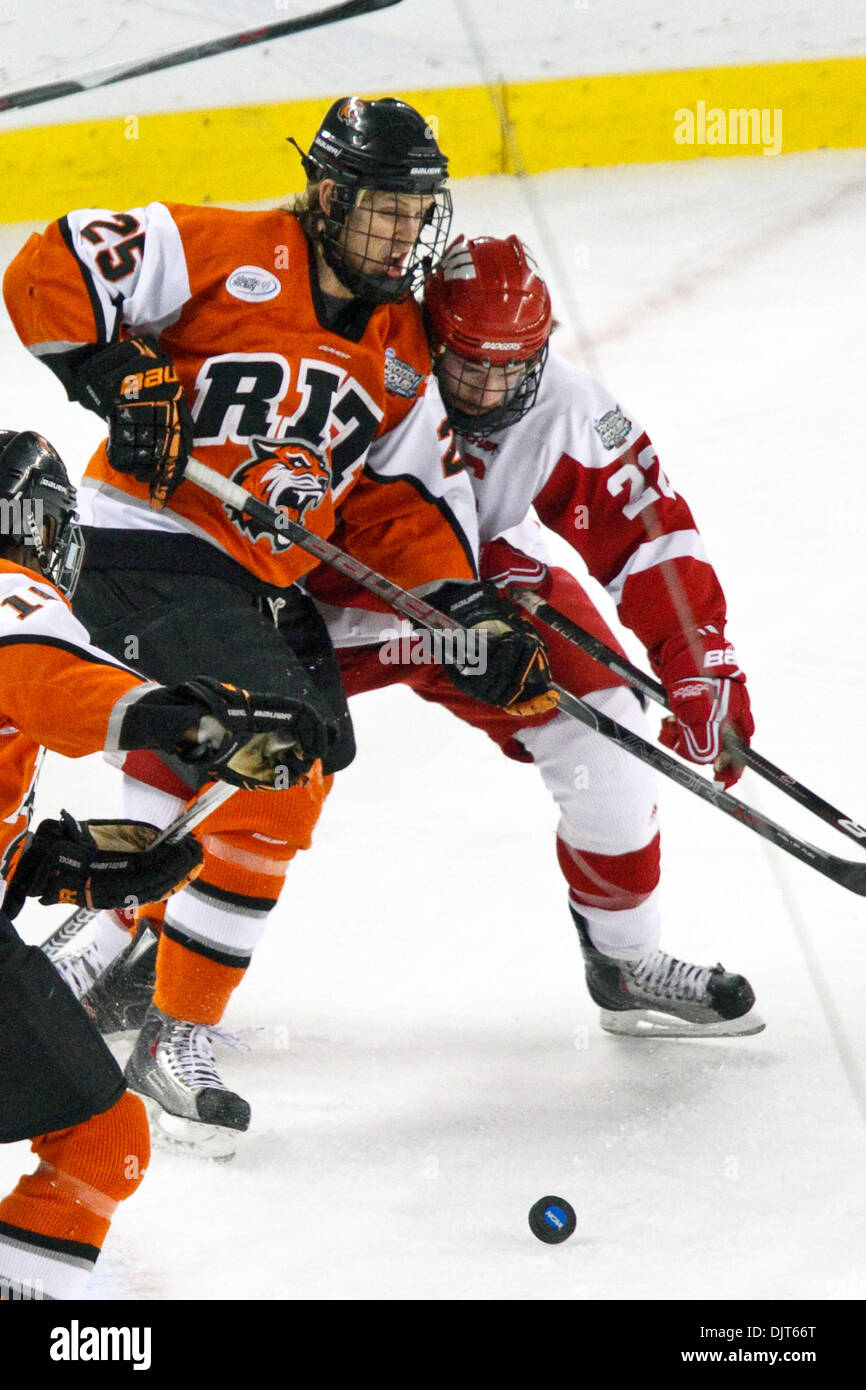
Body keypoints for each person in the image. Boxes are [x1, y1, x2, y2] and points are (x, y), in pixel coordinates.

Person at [2, 98, 554, 1152]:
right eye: (385, 209)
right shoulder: (222, 249)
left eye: (417, 213)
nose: (403, 233)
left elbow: (403, 511)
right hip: (140, 542)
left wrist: (465, 611)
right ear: (331, 195)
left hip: (255, 577)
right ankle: (166, 1018)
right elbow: (47, 262)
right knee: (275, 751)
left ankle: (118, 938)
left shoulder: (400, 353)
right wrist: (107, 370)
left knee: (299, 755)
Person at [306, 234, 762, 1037]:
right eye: (467, 363)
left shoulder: (568, 405)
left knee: (613, 731)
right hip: (317, 599)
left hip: (479, 608)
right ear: (429, 332)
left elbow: (651, 535)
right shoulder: (361, 362)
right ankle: (126, 938)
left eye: (510, 365)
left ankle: (624, 957)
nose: (487, 387)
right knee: (221, 735)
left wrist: (697, 660)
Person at [0, 429, 319, 1297]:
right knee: (103, 1142)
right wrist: (188, 724)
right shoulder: (10, 589)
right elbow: (34, 675)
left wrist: (59, 867)